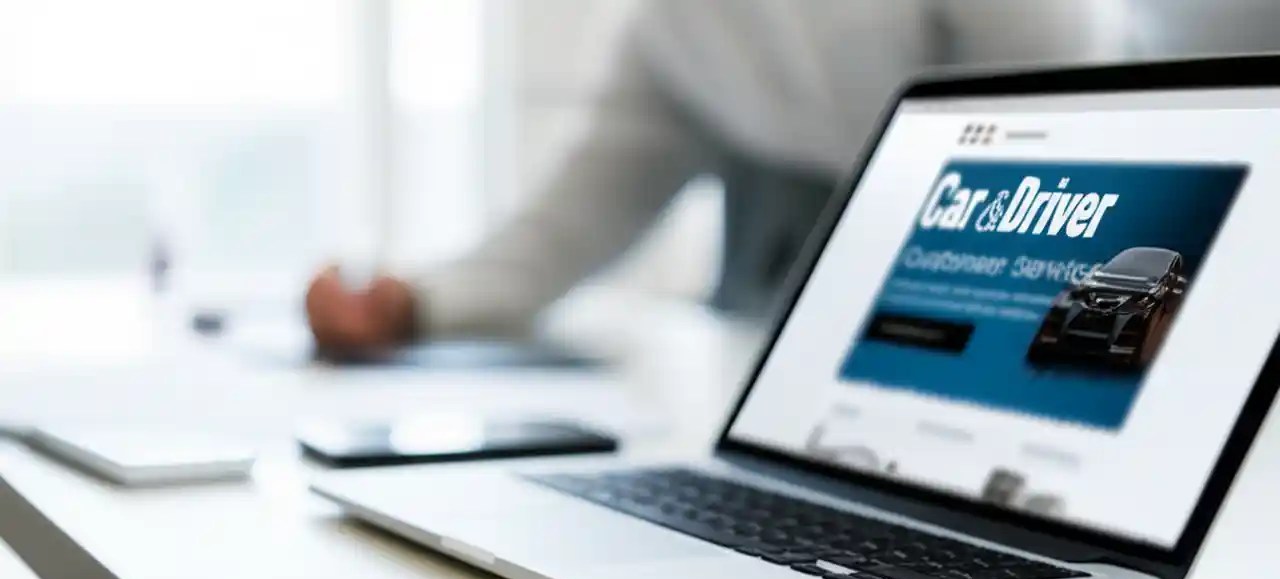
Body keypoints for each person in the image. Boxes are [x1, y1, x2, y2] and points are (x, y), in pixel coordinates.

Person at [306, 0, 1131, 352]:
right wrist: (416, 304)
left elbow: (1074, 142)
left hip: (1052, 289)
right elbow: (571, 224)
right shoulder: (684, 26)